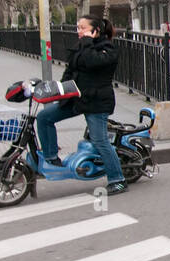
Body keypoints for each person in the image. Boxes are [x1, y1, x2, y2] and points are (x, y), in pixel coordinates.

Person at [37, 15, 127, 195]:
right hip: (77, 99)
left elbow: (93, 62)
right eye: (77, 28)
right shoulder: (81, 47)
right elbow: (70, 71)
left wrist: (87, 41)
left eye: (83, 28)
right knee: (44, 117)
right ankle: (51, 157)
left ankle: (118, 179)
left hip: (97, 102)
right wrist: (59, 91)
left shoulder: (107, 49)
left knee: (99, 140)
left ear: (96, 31)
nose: (79, 31)